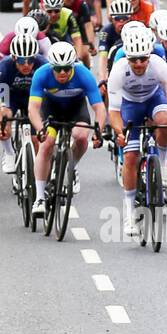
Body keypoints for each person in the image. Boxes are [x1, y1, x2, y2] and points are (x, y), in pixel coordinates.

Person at [107, 27, 167, 237]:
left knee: (165, 120)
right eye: (134, 60)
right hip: (129, 106)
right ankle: (129, 213)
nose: (139, 64)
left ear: (149, 56)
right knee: (130, 157)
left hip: (153, 99)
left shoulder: (159, 65)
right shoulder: (118, 70)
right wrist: (120, 132)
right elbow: (113, 112)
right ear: (127, 57)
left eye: (143, 59)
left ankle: (162, 165)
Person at [25, 42, 106, 214]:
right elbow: (33, 108)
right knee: (46, 144)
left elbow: (99, 107)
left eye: (67, 68)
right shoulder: (41, 74)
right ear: (51, 66)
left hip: (76, 109)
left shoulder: (83, 74)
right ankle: (39, 198)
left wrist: (98, 131)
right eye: (58, 69)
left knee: (81, 137)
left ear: (73, 65)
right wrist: (40, 129)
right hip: (51, 110)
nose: (62, 72)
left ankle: (71, 167)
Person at [0, 34, 47, 173]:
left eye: (30, 60)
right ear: (14, 57)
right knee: (4, 117)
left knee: (36, 139)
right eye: (22, 60)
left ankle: (39, 170)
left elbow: (50, 94)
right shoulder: (3, 67)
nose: (26, 65)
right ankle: (9, 153)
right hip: (12, 97)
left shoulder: (43, 64)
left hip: (33, 98)